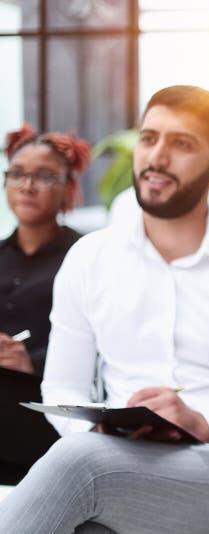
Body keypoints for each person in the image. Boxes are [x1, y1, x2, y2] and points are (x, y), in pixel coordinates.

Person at [0, 85, 209, 533]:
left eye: (182, 144)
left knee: (80, 465)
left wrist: (202, 421)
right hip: (114, 461)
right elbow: (63, 386)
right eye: (149, 137)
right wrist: (96, 432)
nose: (157, 157)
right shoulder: (90, 258)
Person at [0, 123, 88, 483]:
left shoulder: (85, 258)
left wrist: (33, 361)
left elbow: (106, 347)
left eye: (44, 176)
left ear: (68, 187)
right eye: (17, 173)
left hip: (45, 422)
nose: (27, 185)